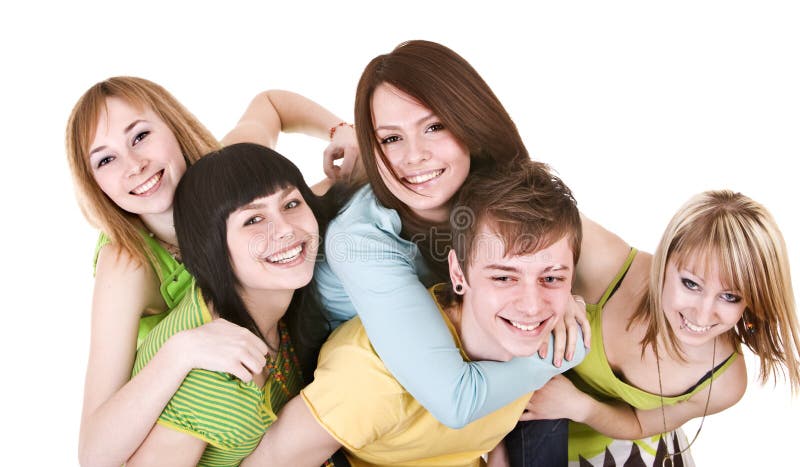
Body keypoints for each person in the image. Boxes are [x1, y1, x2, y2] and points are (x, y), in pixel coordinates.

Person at [310, 40, 593, 447]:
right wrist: (571, 349)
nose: (414, 157)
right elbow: (455, 399)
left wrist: (556, 296)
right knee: (538, 357)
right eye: (391, 139)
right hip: (367, 393)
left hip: (462, 355)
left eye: (434, 127)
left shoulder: (496, 194)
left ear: (471, 124)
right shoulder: (359, 240)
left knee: (536, 363)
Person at [65, 76, 358, 466]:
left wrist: (343, 132)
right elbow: (95, 453)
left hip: (269, 373)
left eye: (140, 136)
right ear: (94, 183)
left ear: (173, 124)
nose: (134, 165)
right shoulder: (127, 266)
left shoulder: (229, 173)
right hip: (184, 410)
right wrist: (182, 351)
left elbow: (270, 102)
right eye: (105, 159)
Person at [242, 160, 584, 466]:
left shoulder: (544, 335)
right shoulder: (367, 381)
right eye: (503, 277)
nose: (531, 305)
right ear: (459, 274)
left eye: (551, 277)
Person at [521, 190, 800, 466]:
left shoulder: (724, 383)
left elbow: (639, 424)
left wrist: (579, 406)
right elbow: (523, 193)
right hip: (523, 433)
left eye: (730, 297)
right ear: (664, 261)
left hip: (637, 454)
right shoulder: (605, 264)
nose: (702, 315)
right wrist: (553, 287)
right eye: (691, 284)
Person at [127, 142, 341, 465]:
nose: (285, 229)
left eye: (291, 203)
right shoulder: (212, 384)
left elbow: (270, 103)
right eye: (253, 221)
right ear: (213, 248)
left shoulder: (247, 296)